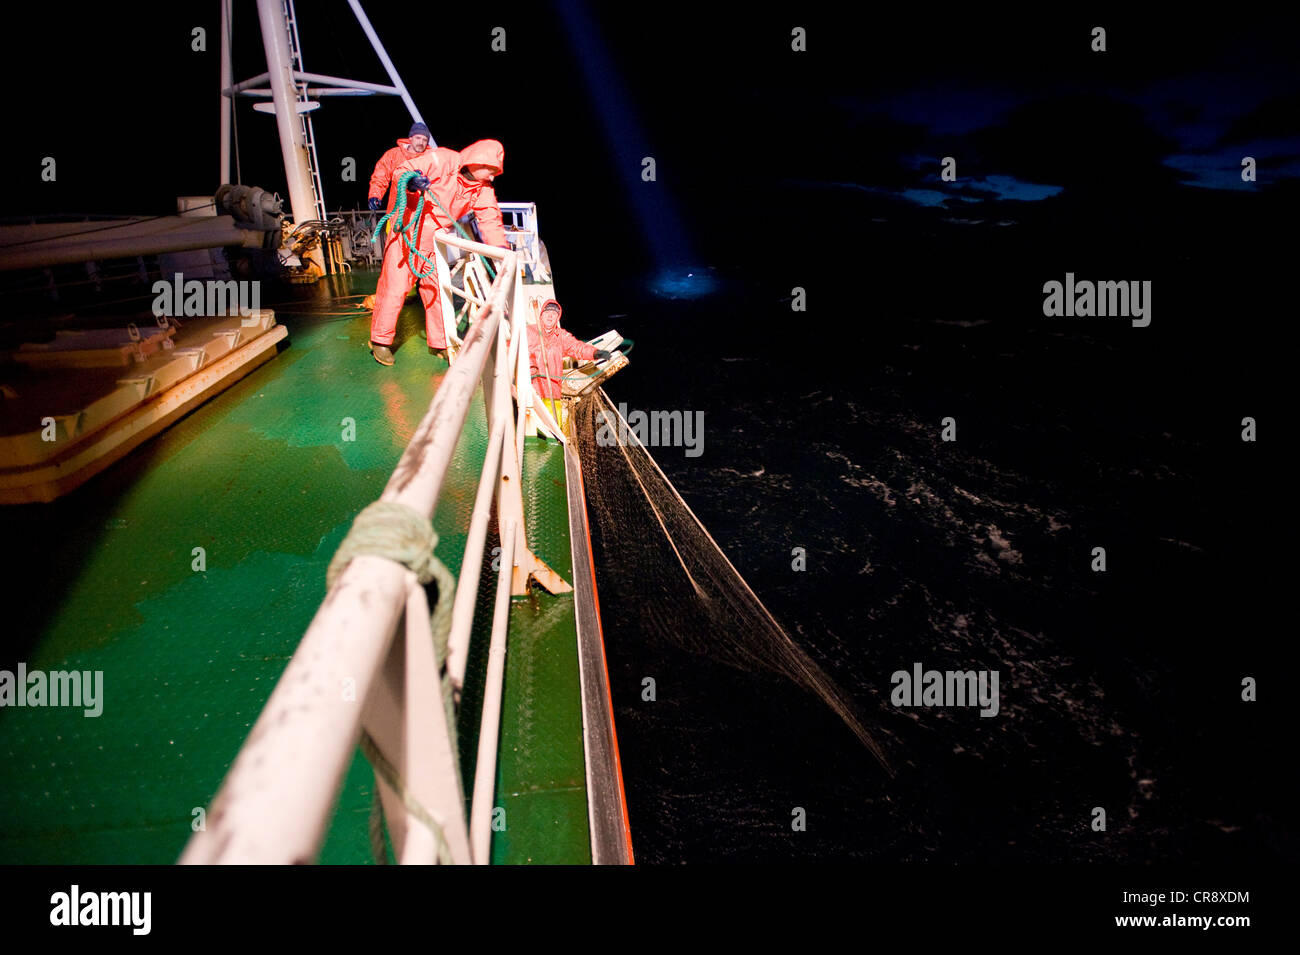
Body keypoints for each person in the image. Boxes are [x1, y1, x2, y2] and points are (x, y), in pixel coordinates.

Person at [368, 138, 510, 365]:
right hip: (405, 234)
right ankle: (380, 341)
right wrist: (412, 182)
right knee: (394, 289)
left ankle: (439, 343)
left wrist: (501, 252)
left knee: (436, 292)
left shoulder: (483, 190)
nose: (492, 176)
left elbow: (490, 221)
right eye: (490, 169)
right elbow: (402, 171)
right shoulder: (442, 159)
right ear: (476, 161)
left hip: (434, 242)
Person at [527, 298, 611, 431]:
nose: (550, 316)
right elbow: (509, 348)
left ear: (557, 318)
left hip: (552, 394)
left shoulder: (561, 336)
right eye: (547, 312)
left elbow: (577, 347)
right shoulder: (528, 332)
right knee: (531, 430)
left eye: (554, 314)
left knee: (554, 432)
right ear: (541, 314)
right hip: (530, 393)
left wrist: (595, 353)